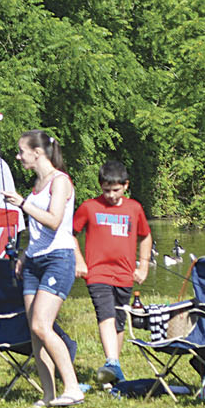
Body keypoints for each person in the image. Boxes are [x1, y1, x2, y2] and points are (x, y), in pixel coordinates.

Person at [1, 130, 84, 408]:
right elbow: (37, 232)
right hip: (34, 261)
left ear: (37, 153)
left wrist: (22, 204)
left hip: (58, 259)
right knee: (34, 330)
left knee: (41, 324)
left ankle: (72, 388)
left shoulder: (60, 182)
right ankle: (48, 395)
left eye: (21, 151)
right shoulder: (37, 184)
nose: (18, 156)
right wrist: (25, 254)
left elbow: (54, 220)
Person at [72, 160, 152, 384]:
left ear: (126, 185)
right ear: (100, 186)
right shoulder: (89, 207)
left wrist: (143, 265)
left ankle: (114, 370)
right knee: (105, 312)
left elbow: (145, 236)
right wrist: (79, 260)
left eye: (115, 190)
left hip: (125, 274)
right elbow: (70, 234)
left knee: (118, 321)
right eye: (106, 190)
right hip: (97, 272)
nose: (111, 195)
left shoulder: (134, 208)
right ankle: (112, 362)